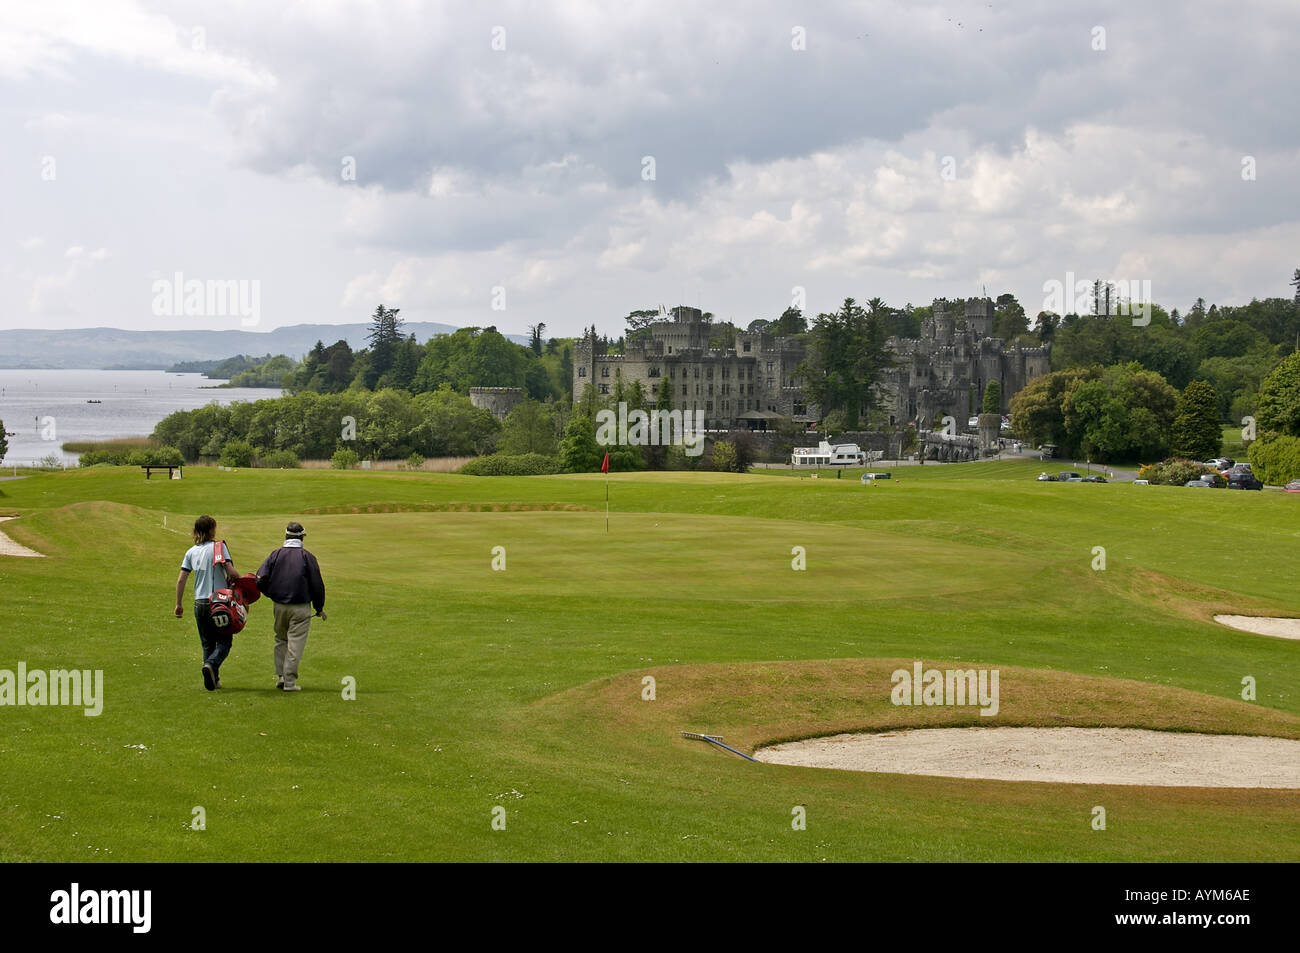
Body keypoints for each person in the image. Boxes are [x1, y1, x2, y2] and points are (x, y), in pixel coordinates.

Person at [256, 521, 326, 692]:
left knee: (280, 639)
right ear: (302, 537)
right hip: (300, 607)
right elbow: (317, 585)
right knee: (295, 643)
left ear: (286, 536)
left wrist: (271, 594)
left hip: (279, 606)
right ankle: (289, 682)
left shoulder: (275, 554)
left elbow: (259, 579)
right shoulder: (307, 557)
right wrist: (319, 608)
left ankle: (281, 676)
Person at [175, 514, 240, 691]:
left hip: (199, 603)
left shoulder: (191, 552)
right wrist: (240, 578)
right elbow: (231, 571)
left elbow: (181, 580)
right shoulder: (219, 547)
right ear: (212, 530)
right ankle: (211, 665)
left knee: (207, 643)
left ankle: (213, 680)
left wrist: (178, 604)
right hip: (219, 601)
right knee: (225, 641)